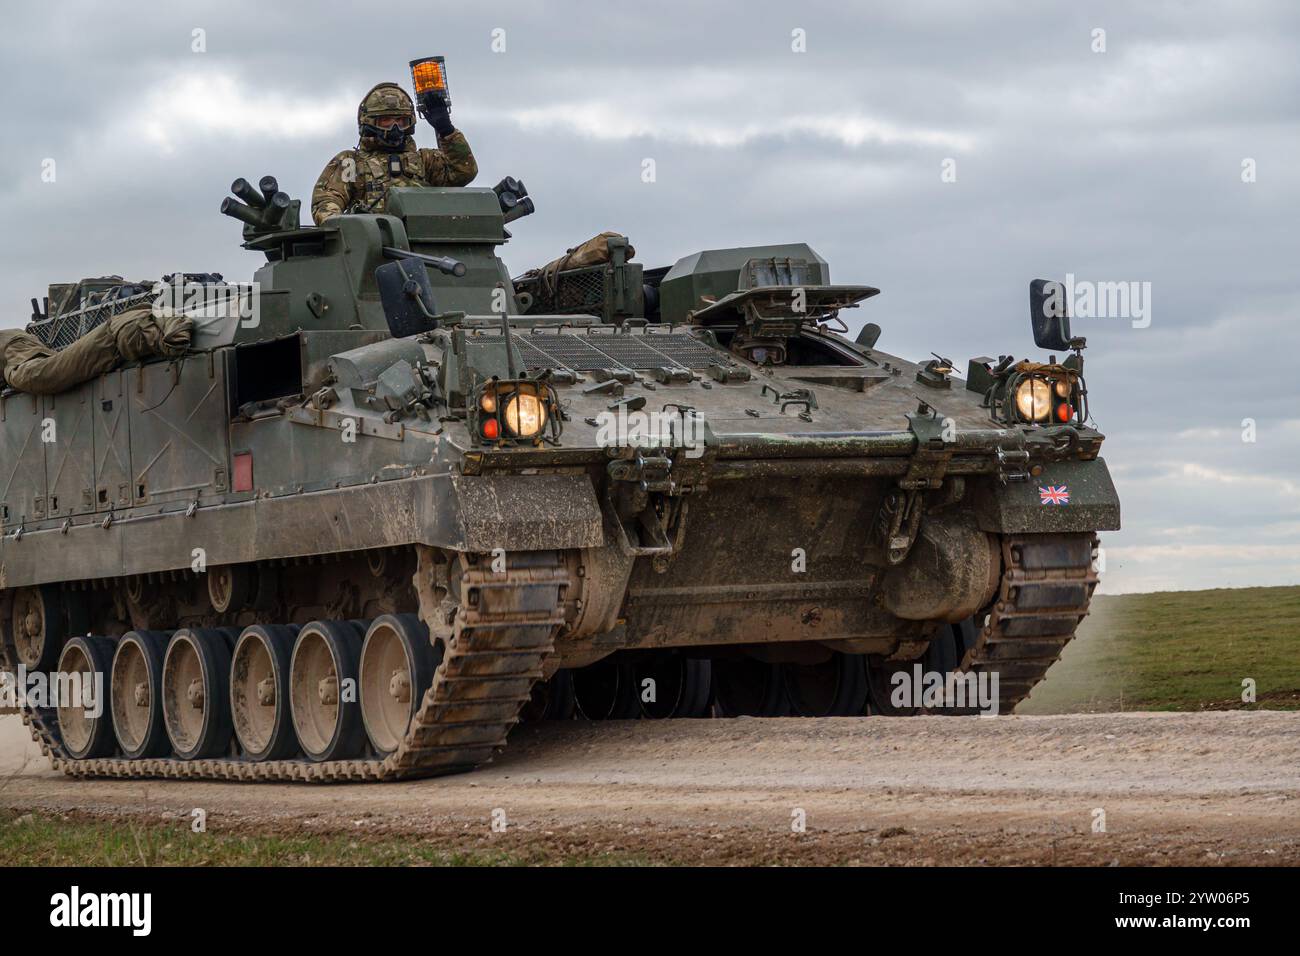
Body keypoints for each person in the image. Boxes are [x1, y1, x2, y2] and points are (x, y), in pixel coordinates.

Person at [311, 82, 477, 224]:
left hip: (424, 245)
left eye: (400, 121)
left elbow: (464, 172)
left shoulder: (425, 160)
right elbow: (326, 202)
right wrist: (351, 228)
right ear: (369, 122)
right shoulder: (351, 162)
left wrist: (446, 130)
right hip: (373, 249)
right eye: (387, 121)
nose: (395, 127)